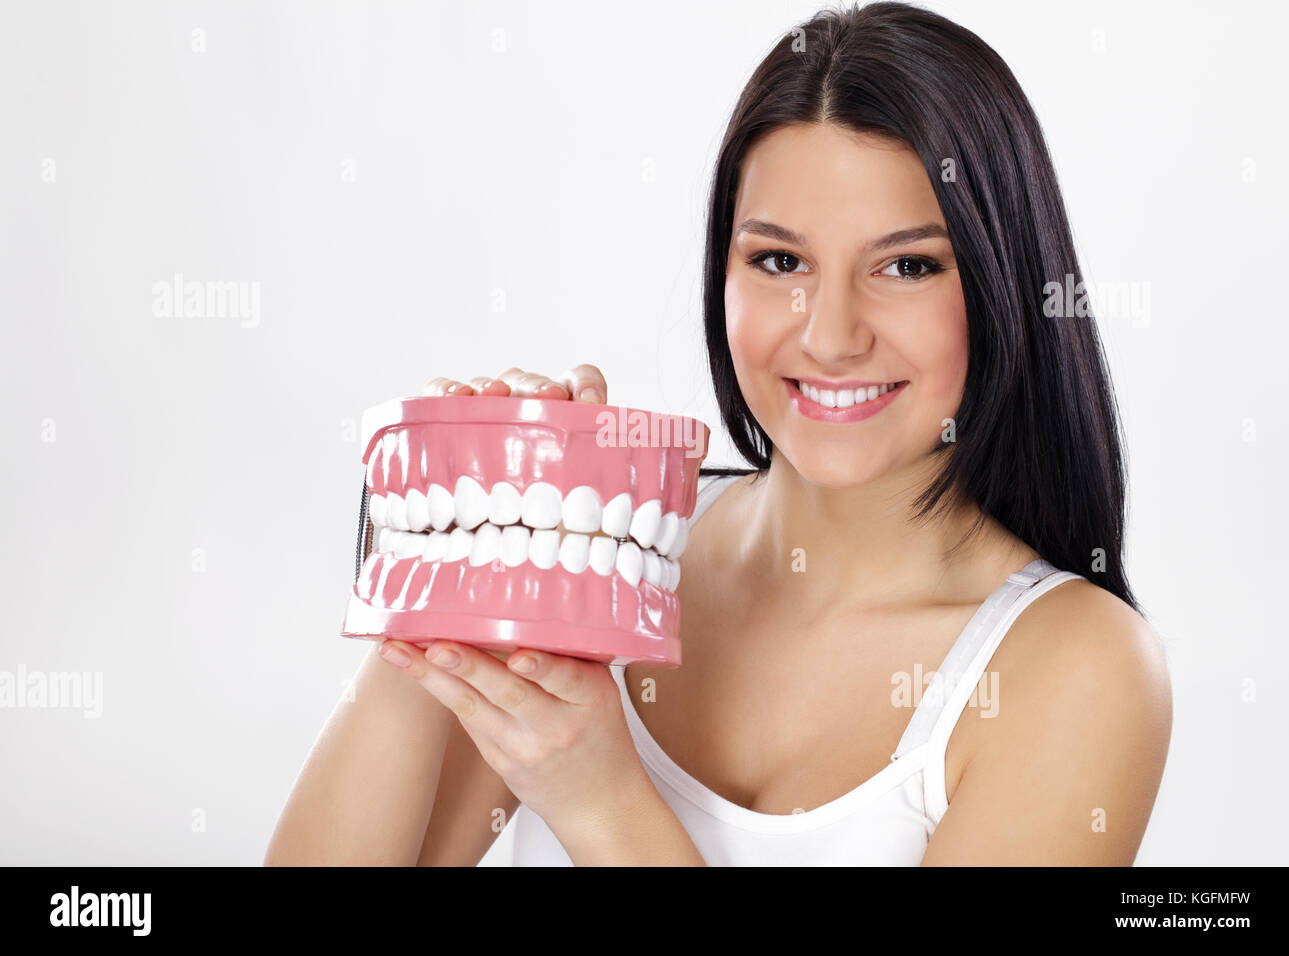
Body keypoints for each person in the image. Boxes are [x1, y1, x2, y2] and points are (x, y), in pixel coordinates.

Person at [265, 1, 1171, 866]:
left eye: (906, 265)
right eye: (780, 260)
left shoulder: (1081, 668)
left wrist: (602, 802)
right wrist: (449, 565)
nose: (829, 335)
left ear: (1002, 284)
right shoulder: (606, 552)